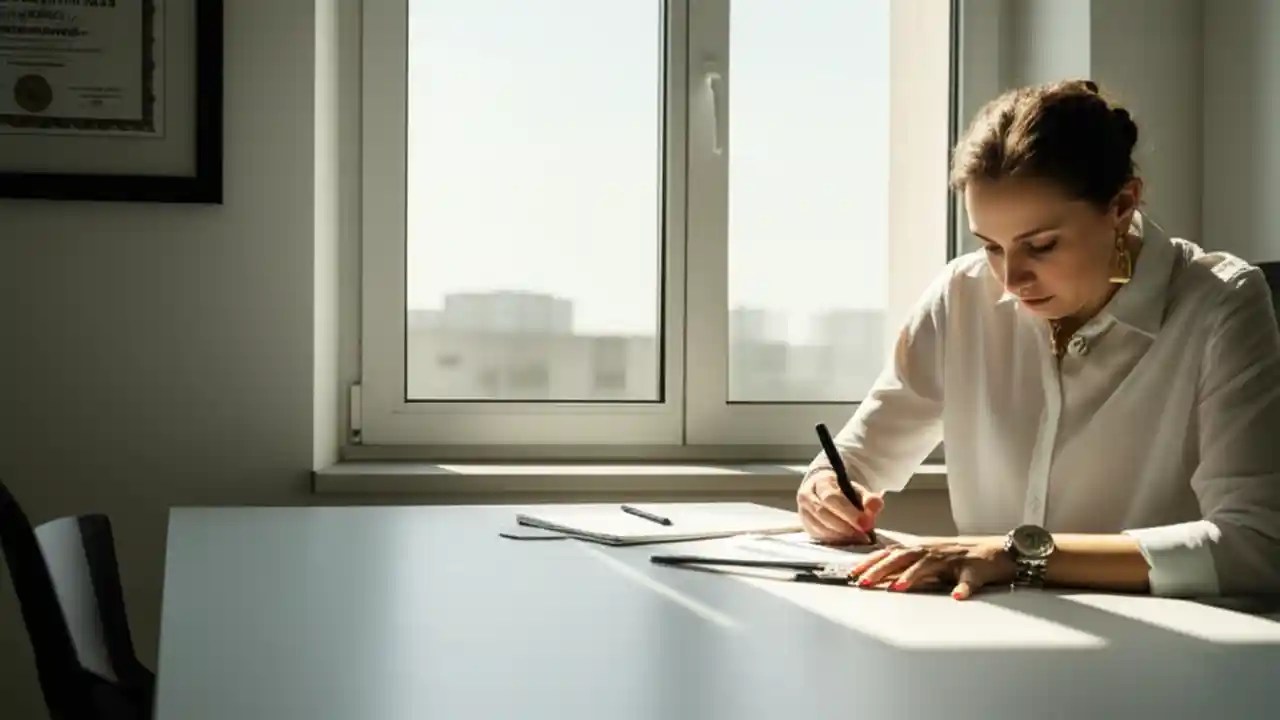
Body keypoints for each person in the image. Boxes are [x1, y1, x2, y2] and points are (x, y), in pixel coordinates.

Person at [797, 79, 1280, 600]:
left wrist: (1017, 556)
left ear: (1121, 205)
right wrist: (826, 489)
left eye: (1042, 246)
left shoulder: (1219, 304)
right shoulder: (961, 295)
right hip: (986, 633)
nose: (1010, 280)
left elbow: (1256, 545)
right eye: (991, 247)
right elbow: (856, 458)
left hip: (1169, 650)